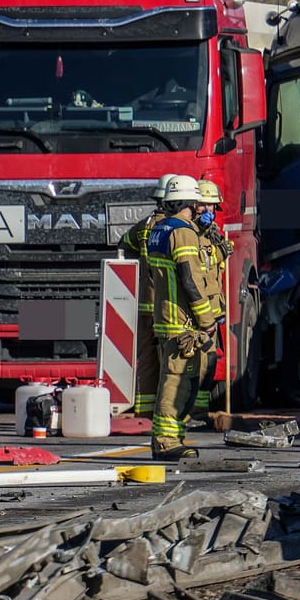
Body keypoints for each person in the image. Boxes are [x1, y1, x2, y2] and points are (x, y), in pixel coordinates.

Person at [144, 175, 222, 461]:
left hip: (167, 319)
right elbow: (190, 279)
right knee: (176, 382)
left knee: (179, 379)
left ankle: (172, 437)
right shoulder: (184, 232)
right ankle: (165, 442)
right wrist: (206, 319)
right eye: (199, 203)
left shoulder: (159, 229)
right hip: (182, 323)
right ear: (191, 202)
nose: (203, 208)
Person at [119, 175, 178, 419]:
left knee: (146, 358)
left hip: (144, 303)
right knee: (169, 361)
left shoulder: (145, 226)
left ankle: (145, 408)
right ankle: (170, 410)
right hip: (166, 304)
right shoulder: (173, 228)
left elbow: (125, 243)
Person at [190, 179, 230, 422]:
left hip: (212, 313)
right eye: (206, 206)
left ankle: (199, 410)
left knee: (210, 363)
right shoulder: (189, 235)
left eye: (214, 207)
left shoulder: (211, 235)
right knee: (196, 364)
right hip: (198, 314)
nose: (210, 212)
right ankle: (191, 410)